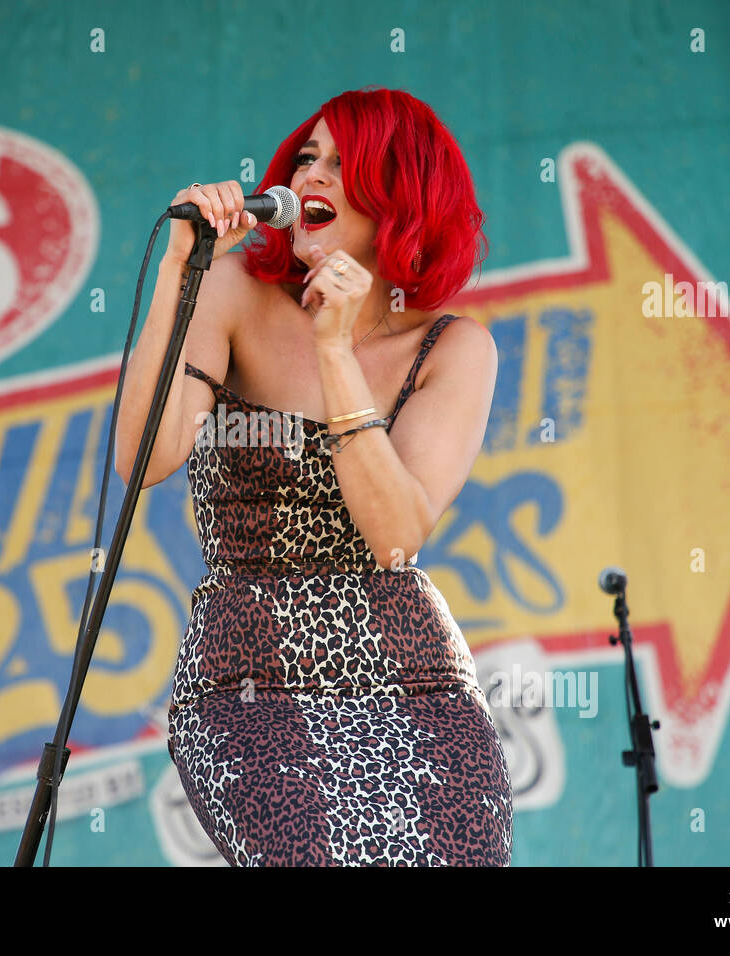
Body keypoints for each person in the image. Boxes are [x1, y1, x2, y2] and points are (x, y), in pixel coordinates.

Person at [114, 87, 510, 865]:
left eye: (343, 161)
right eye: (307, 157)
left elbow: (395, 536)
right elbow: (141, 462)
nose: (313, 175)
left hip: (414, 681)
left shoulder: (455, 348)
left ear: (401, 195)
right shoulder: (234, 294)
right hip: (249, 681)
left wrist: (336, 353)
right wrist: (178, 277)